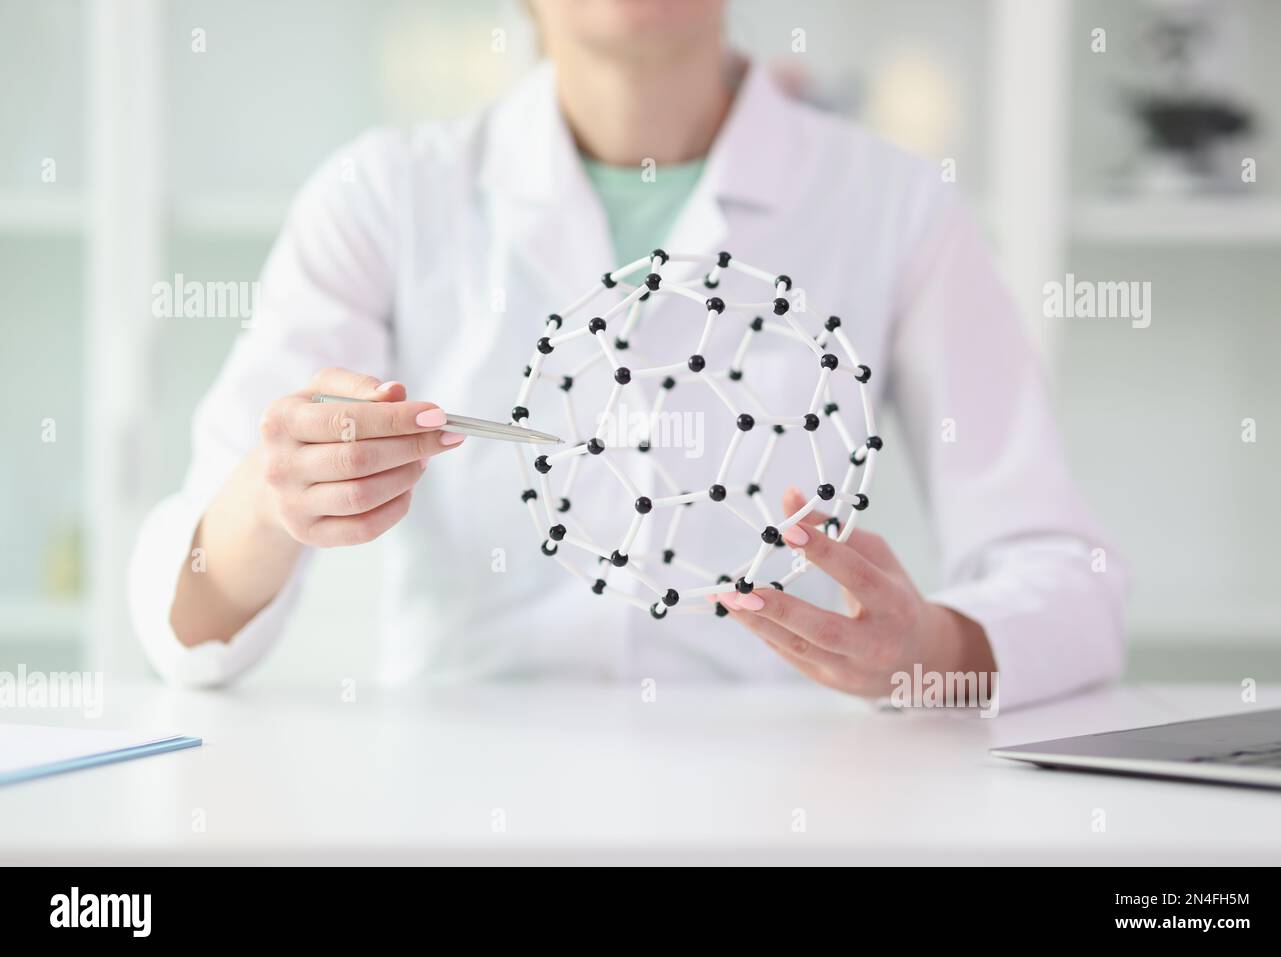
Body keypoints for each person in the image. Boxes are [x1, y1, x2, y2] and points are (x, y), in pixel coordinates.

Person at [129, 0, 1125, 709]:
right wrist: (274, 499)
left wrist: (927, 650)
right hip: (455, 799)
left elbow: (1066, 579)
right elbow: (188, 626)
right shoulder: (384, 201)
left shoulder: (899, 209)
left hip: (790, 800)